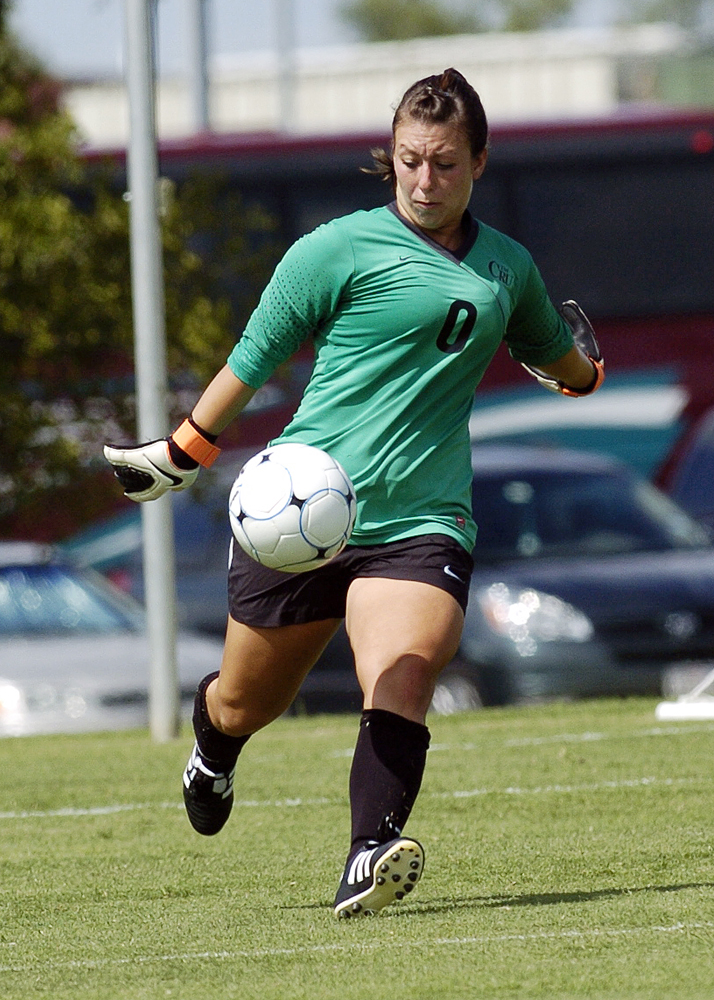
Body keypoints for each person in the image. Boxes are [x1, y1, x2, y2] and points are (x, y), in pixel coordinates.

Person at [104, 68, 605, 919]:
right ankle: (213, 745)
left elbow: (553, 351)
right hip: (303, 513)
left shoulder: (504, 267)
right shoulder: (335, 249)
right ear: (391, 157)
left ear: (479, 162)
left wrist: (584, 374)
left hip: (422, 516)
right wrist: (187, 446)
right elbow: (254, 355)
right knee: (246, 699)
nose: (424, 179)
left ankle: (368, 854)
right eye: (409, 160)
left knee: (404, 673)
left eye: (445, 163)